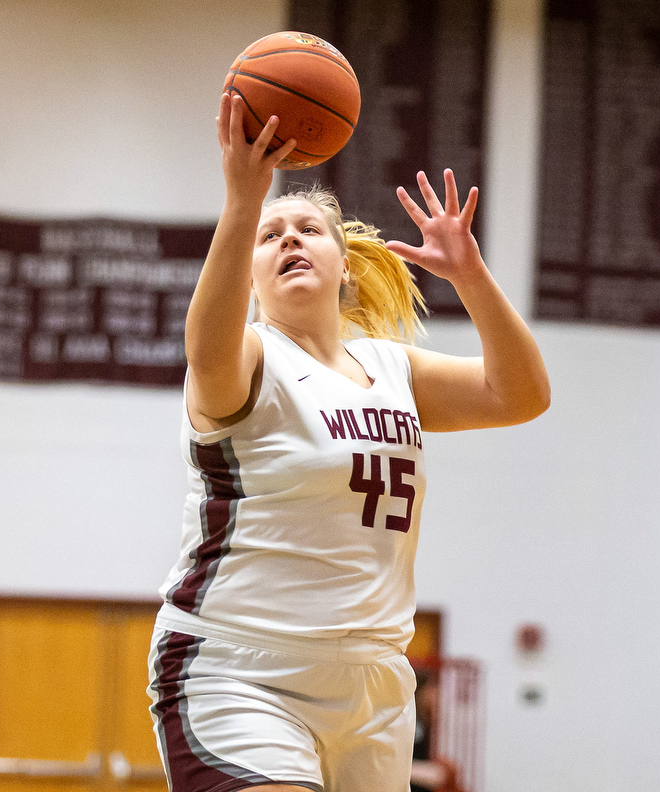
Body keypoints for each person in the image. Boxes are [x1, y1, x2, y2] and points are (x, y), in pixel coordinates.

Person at [146, 92, 550, 792]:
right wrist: (244, 200)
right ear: (249, 273)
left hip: (373, 681)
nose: (291, 239)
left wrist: (472, 278)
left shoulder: (396, 368)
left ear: (347, 264)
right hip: (241, 665)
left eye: (309, 229)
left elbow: (521, 395)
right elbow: (204, 351)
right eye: (271, 237)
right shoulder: (247, 359)